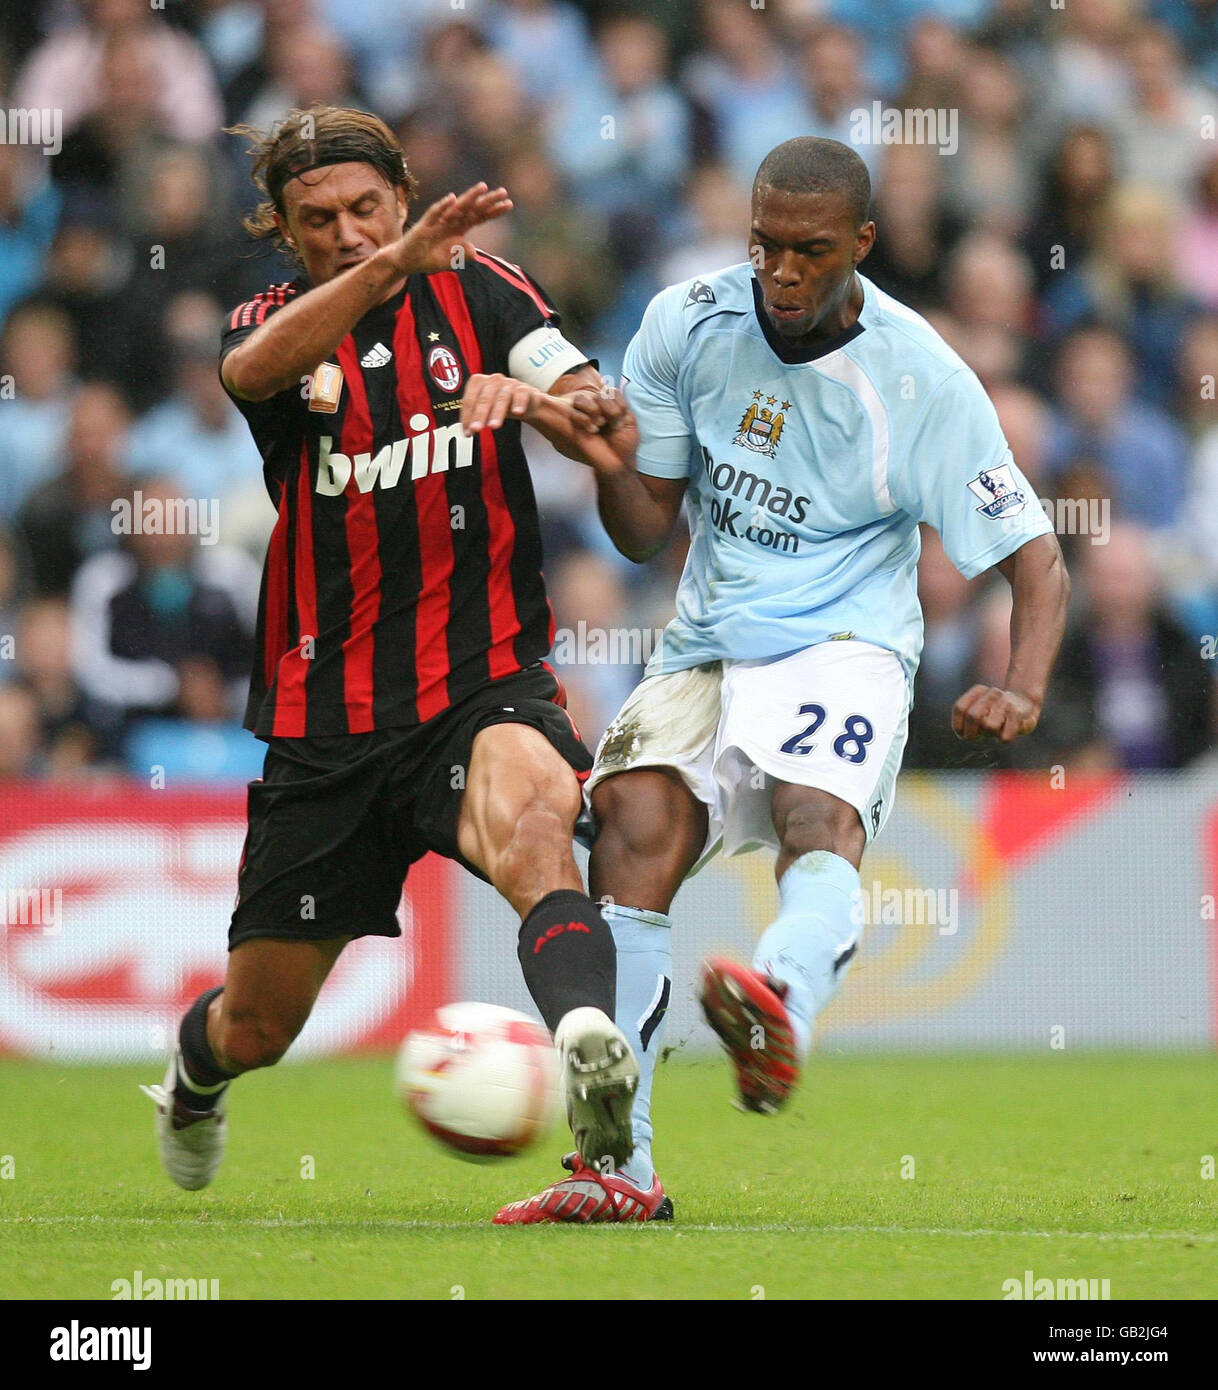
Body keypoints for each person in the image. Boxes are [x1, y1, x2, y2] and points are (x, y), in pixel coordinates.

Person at [471, 136, 1070, 1223]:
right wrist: (606, 457)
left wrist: (1022, 686)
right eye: (766, 246)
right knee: (631, 826)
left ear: (862, 246)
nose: (782, 273)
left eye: (810, 252)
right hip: (706, 638)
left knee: (812, 815)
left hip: (845, 640)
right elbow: (645, 533)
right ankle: (621, 1169)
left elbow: (1038, 558)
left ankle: (778, 1006)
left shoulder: (919, 375)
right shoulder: (688, 321)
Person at [140, 105, 640, 1201]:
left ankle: (590, 1039)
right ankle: (194, 1072)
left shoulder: (490, 291)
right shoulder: (275, 321)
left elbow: (598, 406)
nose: (348, 231)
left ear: (403, 197)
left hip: (479, 682)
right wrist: (395, 268)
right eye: (318, 218)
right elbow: (252, 372)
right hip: (327, 723)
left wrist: (564, 405)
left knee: (540, 824)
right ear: (283, 226)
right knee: (259, 1023)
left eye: (369, 209)